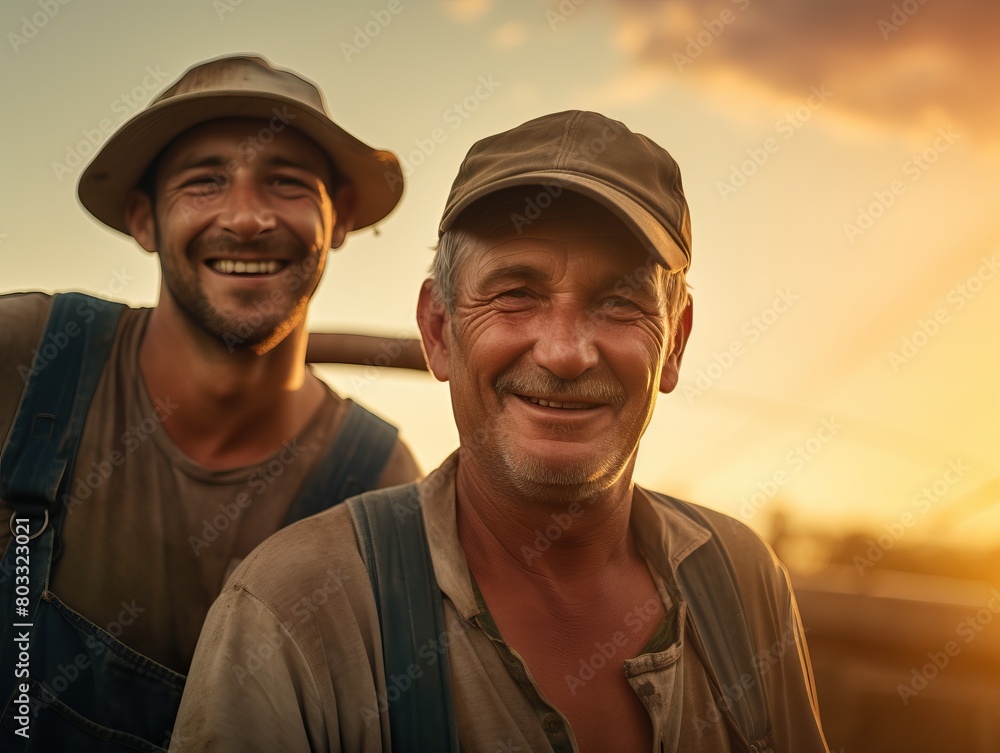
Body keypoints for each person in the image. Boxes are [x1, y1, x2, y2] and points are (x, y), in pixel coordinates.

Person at [170, 111, 830, 752]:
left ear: (675, 343)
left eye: (620, 301)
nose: (565, 352)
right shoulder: (291, 614)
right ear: (439, 331)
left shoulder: (740, 581)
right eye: (515, 293)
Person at [0, 55, 420, 751]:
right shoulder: (25, 358)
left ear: (339, 218)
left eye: (286, 182)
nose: (248, 217)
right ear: (143, 220)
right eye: (205, 182)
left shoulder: (377, 486)